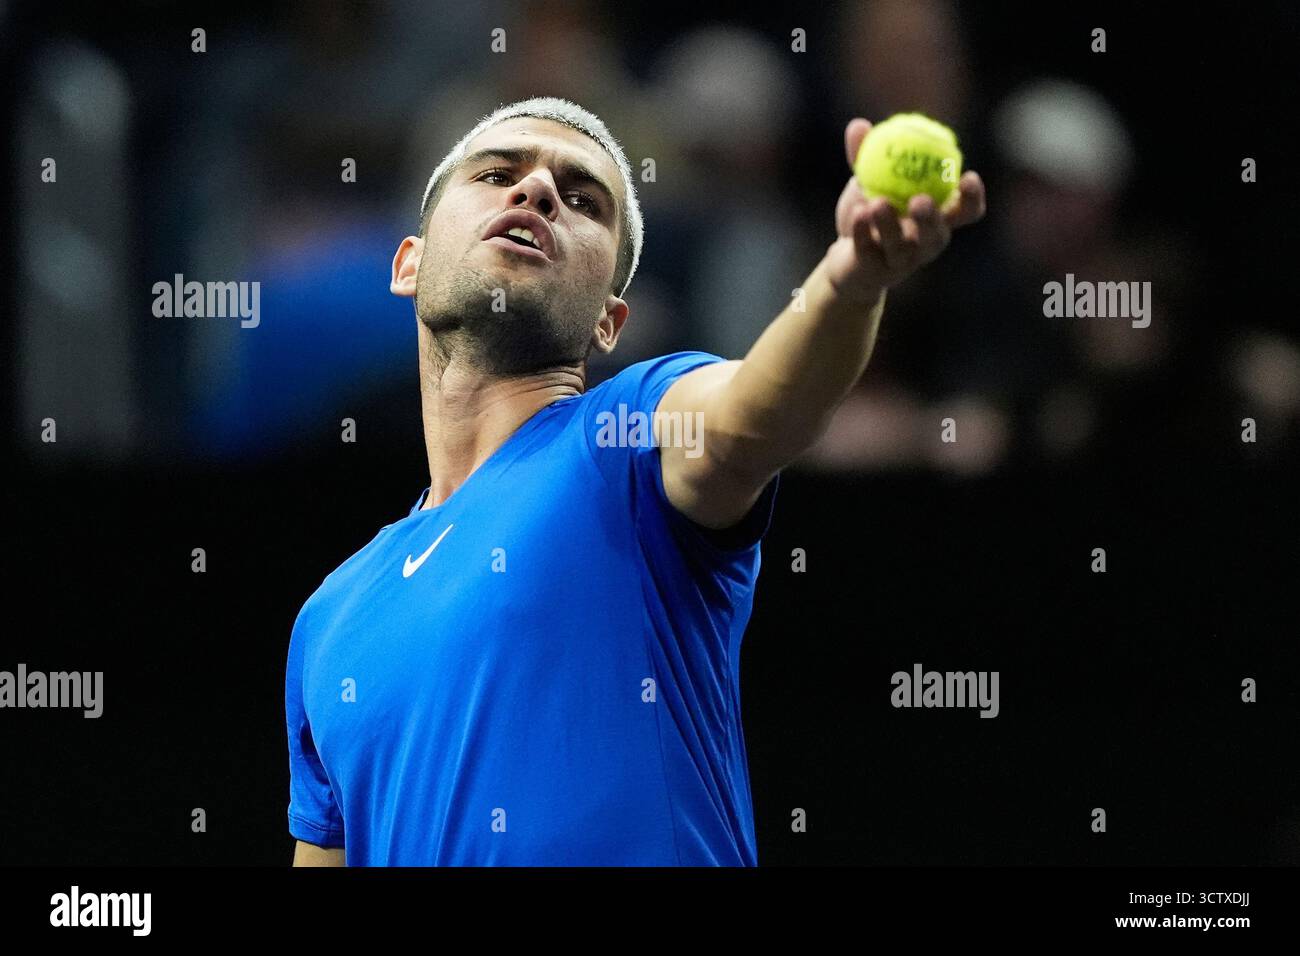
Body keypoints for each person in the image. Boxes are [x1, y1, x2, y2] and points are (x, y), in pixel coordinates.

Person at [285, 96, 986, 866]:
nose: (538, 192)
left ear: (608, 325)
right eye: (497, 174)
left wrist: (849, 282)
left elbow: (755, 415)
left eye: (582, 199)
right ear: (409, 265)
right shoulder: (331, 617)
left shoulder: (628, 432)